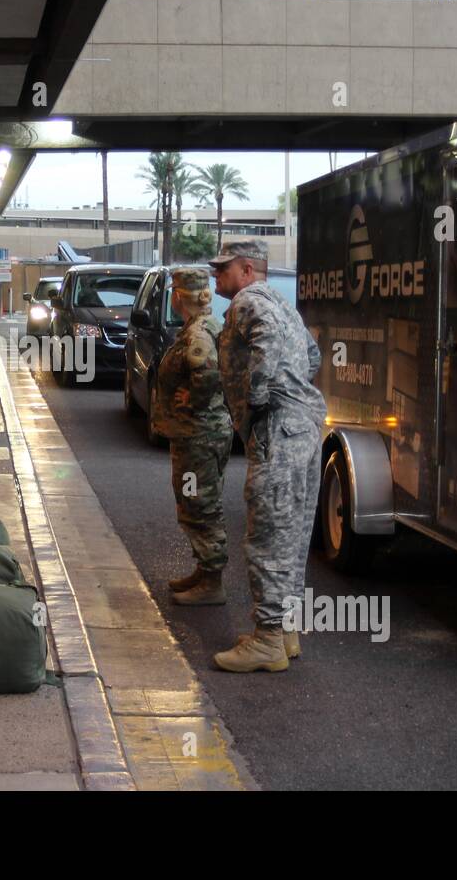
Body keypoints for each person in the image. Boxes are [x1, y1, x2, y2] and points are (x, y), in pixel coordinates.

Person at [210, 239, 326, 673]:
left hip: (278, 429)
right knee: (292, 535)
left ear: (245, 269)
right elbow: (311, 355)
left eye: (222, 269)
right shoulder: (282, 302)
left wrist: (258, 396)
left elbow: (268, 341)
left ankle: (268, 641)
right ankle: (284, 631)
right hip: (304, 426)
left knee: (268, 535)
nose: (216, 276)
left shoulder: (248, 303)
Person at [150, 267, 232, 606]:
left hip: (198, 436)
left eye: (174, 291)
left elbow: (207, 372)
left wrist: (194, 403)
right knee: (195, 499)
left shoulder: (198, 333)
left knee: (198, 503)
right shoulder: (206, 326)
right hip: (200, 435)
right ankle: (204, 569)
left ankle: (211, 581)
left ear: (179, 297)